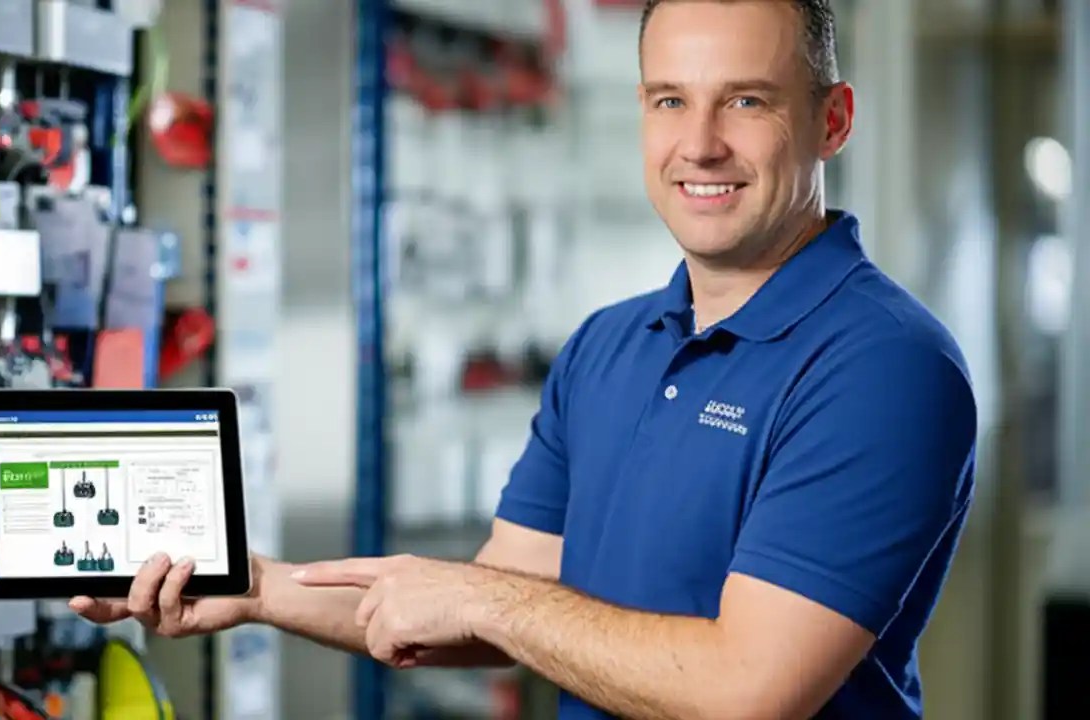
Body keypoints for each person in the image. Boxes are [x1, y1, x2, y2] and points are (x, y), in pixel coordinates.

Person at [72, 1, 978, 718]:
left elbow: (745, 691)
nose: (700, 143)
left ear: (834, 119)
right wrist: (261, 588)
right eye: (671, 99)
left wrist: (484, 601)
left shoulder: (883, 367)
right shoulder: (608, 346)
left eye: (746, 99)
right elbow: (499, 601)